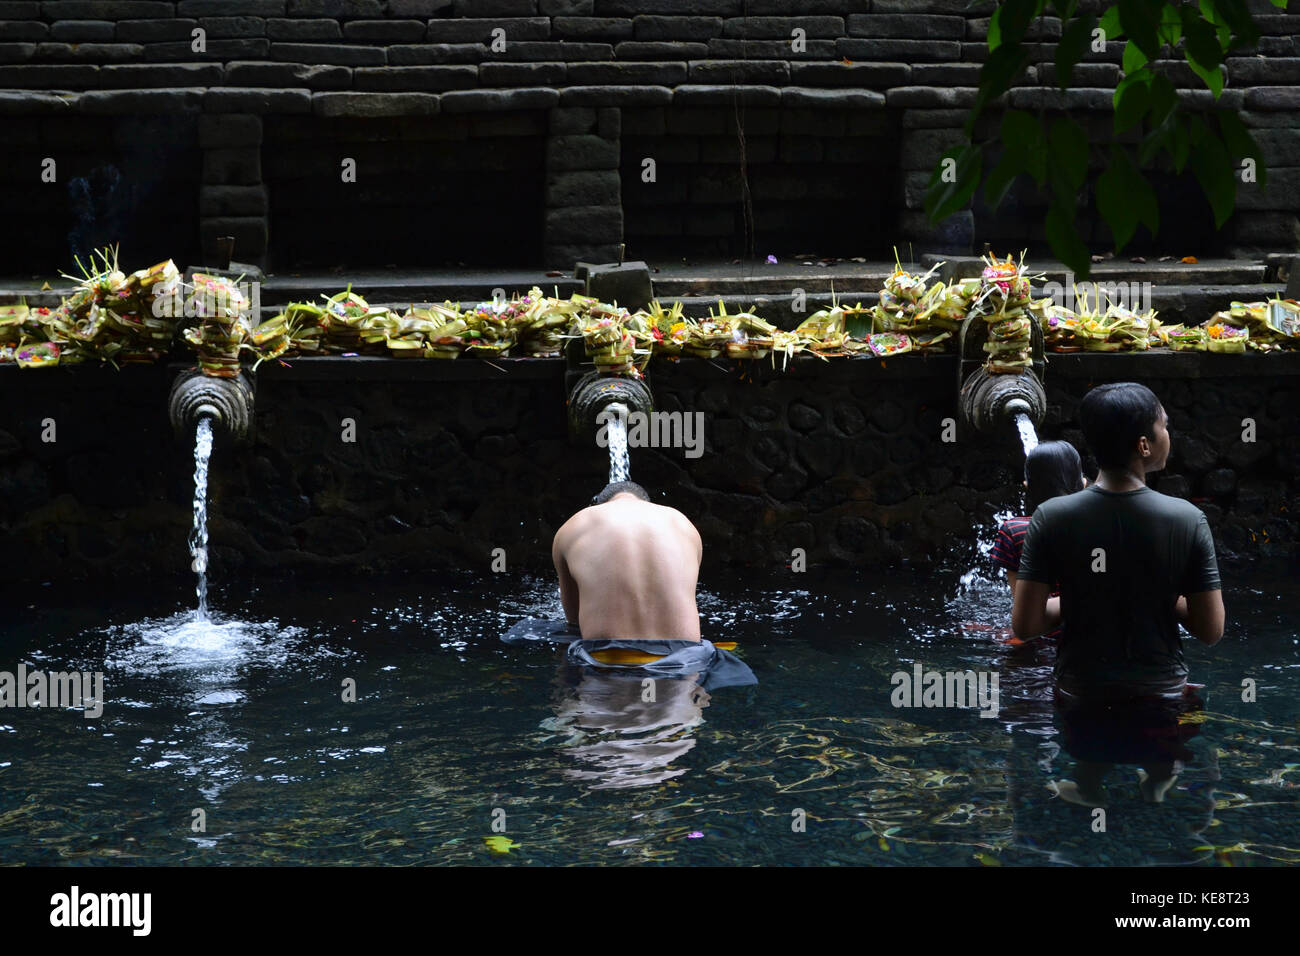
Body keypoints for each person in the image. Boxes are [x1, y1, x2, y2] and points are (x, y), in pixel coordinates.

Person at [1012, 383, 1224, 807]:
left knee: (1089, 749)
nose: (1169, 434)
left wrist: (1084, 595)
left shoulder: (1052, 517)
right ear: (1144, 445)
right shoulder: (1187, 519)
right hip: (1161, 690)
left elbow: (1027, 625)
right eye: (1164, 426)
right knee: (1168, 744)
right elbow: (1210, 629)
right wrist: (1157, 594)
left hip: (1082, 692)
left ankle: (1087, 788)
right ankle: (1159, 779)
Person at [546, 480, 756, 691]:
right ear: (647, 502)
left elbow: (573, 622)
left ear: (597, 504)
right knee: (681, 719)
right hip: (685, 661)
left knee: (581, 712)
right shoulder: (681, 523)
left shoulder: (574, 525)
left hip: (605, 660)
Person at [990, 440, 1087, 645]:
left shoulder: (1015, 531)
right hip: (1092, 637)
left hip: (1042, 636)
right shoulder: (1101, 525)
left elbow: (1024, 607)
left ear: (1026, 486)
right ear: (1084, 484)